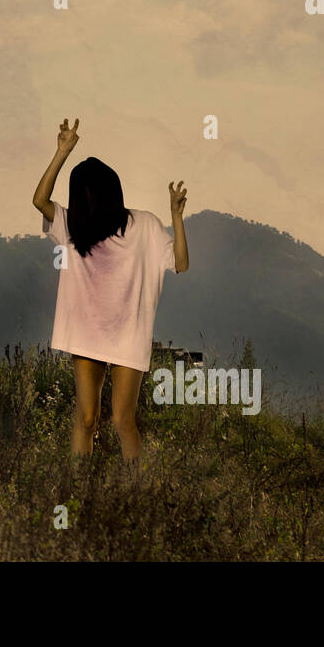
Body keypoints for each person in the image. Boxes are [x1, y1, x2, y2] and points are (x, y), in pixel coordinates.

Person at [31, 118, 189, 465]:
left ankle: (136, 491)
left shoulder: (143, 224)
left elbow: (180, 264)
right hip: (87, 334)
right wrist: (61, 152)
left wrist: (176, 217)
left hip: (127, 335)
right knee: (86, 419)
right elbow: (39, 199)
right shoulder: (74, 226)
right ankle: (80, 492)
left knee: (122, 419)